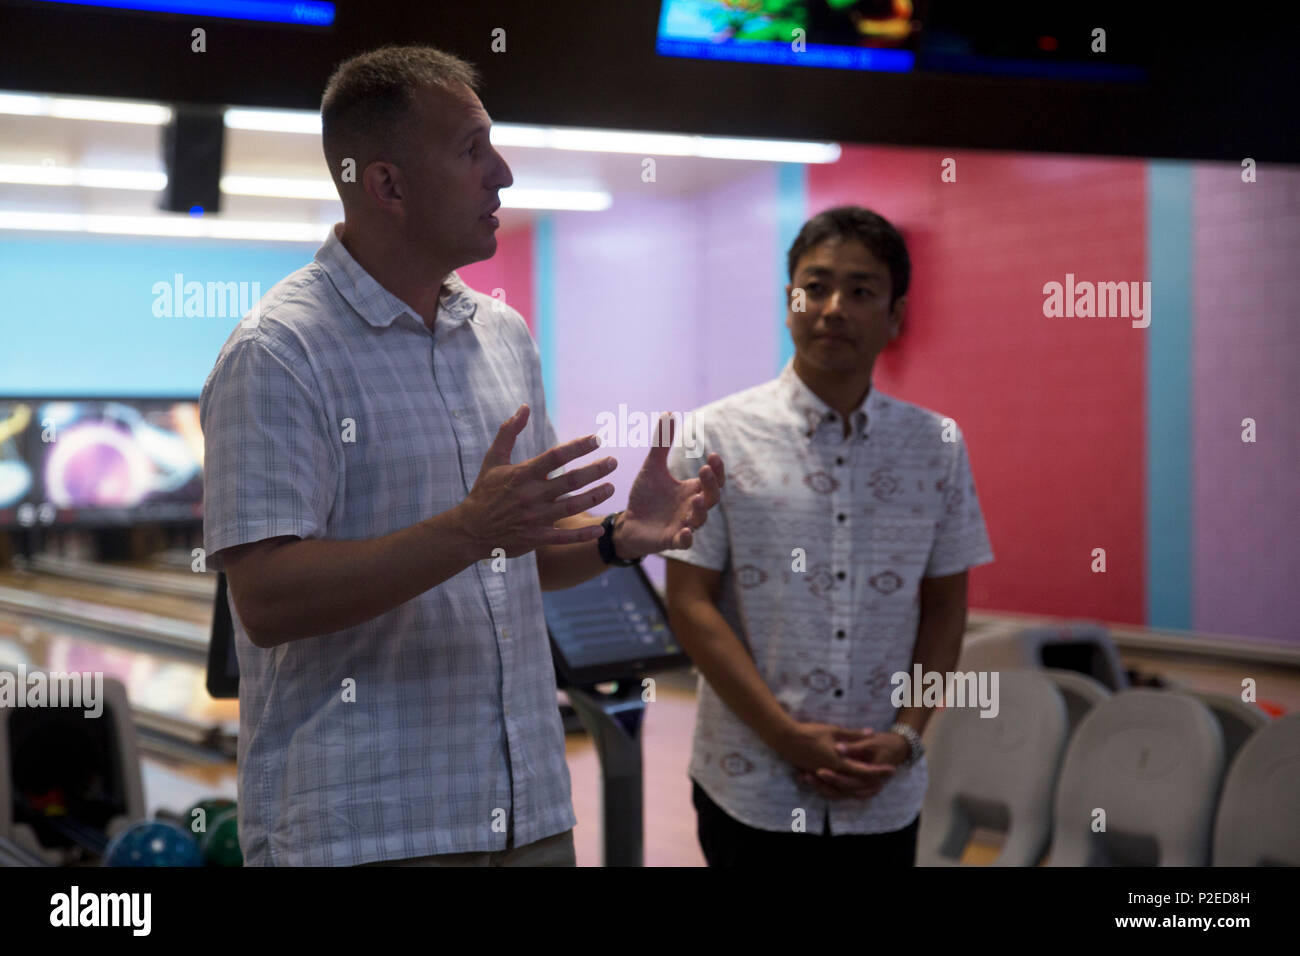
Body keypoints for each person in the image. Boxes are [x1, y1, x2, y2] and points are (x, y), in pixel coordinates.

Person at [199, 45, 724, 867]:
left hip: (529, 812)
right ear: (388, 186)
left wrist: (619, 536)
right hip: (369, 830)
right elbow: (264, 600)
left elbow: (517, 549)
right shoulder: (278, 351)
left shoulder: (502, 333)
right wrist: (469, 532)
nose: (503, 173)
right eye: (472, 149)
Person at [662, 206, 993, 866]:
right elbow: (690, 602)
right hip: (748, 784)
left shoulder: (936, 447)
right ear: (789, 302)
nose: (833, 307)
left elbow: (946, 608)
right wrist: (785, 735)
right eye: (814, 286)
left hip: (883, 791)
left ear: (896, 316)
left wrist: (907, 735)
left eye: (862, 291)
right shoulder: (713, 437)